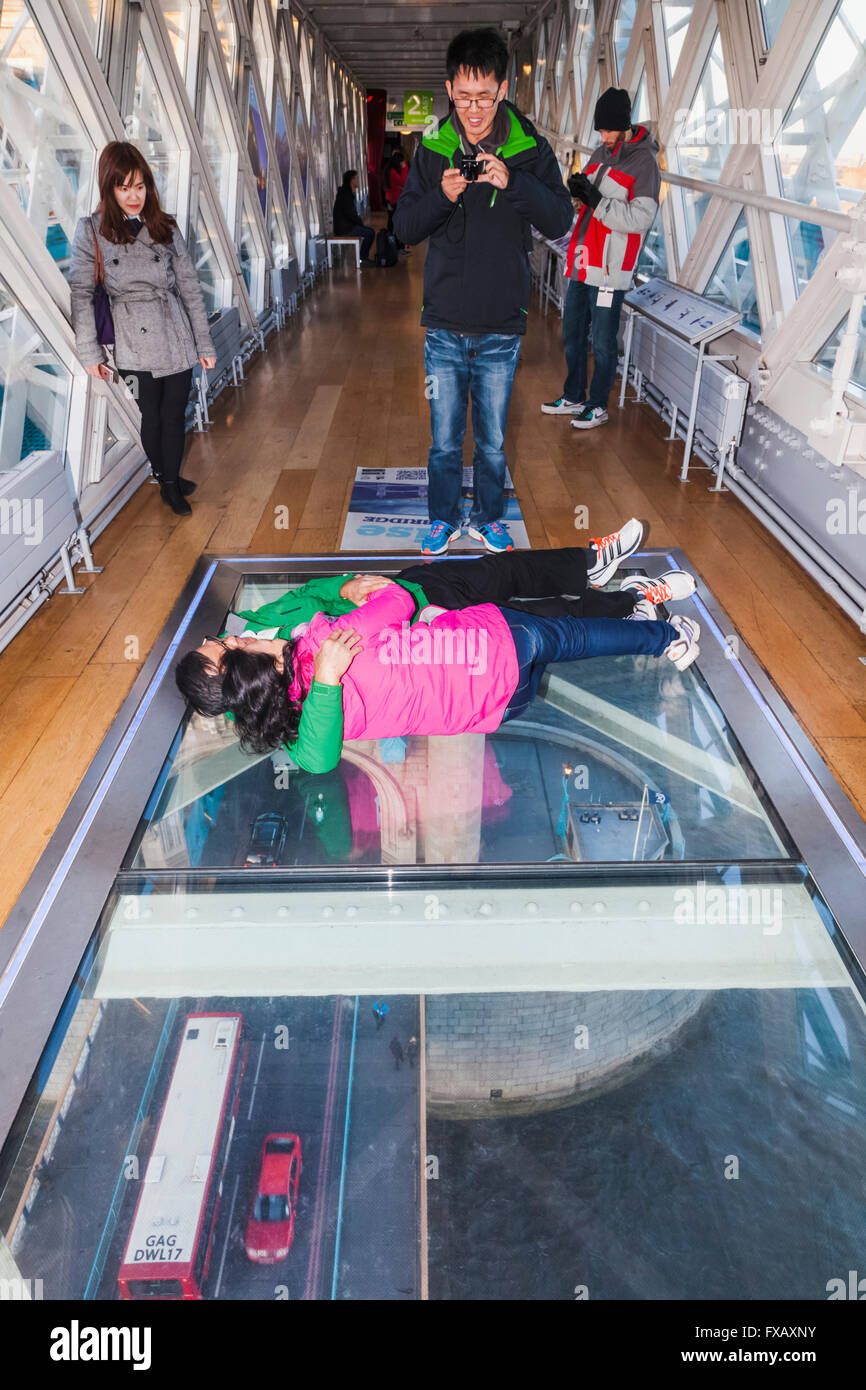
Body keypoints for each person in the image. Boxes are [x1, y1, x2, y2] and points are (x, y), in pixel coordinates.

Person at [175, 525, 701, 776]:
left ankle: (590, 566)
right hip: (447, 640)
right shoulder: (308, 692)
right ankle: (632, 605)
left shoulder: (267, 627)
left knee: (505, 571)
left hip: (422, 610)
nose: (227, 636)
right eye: (224, 647)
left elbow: (310, 595)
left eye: (220, 637)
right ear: (236, 676)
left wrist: (342, 590)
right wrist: (328, 679)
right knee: (553, 628)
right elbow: (318, 753)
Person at [394, 28, 573, 556]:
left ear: (501, 90)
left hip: (501, 323)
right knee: (445, 441)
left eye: (486, 97)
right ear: (449, 89)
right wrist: (441, 198)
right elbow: (404, 226)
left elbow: (561, 216)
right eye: (465, 96)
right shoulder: (431, 149)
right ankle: (443, 519)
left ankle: (489, 517)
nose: (475, 109)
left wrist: (512, 183)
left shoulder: (528, 147)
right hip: (445, 322)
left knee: (492, 443)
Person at [69, 142, 217, 516]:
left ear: (149, 185)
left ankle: (169, 478)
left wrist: (204, 342)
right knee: (150, 415)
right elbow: (81, 293)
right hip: (131, 343)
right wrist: (89, 352)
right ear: (109, 189)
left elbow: (189, 288)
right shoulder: (91, 231)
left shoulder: (165, 226)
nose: (133, 196)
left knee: (174, 413)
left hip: (175, 335)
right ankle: (167, 480)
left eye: (139, 186)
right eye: (123, 188)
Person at [542, 88, 660, 429]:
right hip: (582, 260)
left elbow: (640, 220)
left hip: (610, 271)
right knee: (573, 333)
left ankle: (597, 404)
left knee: (605, 342)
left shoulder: (644, 164)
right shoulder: (598, 153)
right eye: (600, 130)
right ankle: (574, 395)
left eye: (608, 130)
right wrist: (577, 194)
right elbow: (588, 204)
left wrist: (596, 200)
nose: (603, 136)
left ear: (624, 126)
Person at [332, 170, 375, 264]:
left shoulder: (345, 192)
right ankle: (363, 257)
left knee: (368, 231)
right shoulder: (346, 195)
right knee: (370, 232)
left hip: (344, 226)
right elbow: (351, 214)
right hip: (345, 228)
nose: (358, 181)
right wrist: (361, 224)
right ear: (352, 180)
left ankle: (363, 256)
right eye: (357, 178)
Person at [384, 151, 410, 249]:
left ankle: (392, 244)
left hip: (391, 199)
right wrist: (404, 168)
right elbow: (404, 182)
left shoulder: (389, 171)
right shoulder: (393, 172)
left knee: (391, 222)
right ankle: (397, 245)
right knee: (397, 223)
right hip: (396, 200)